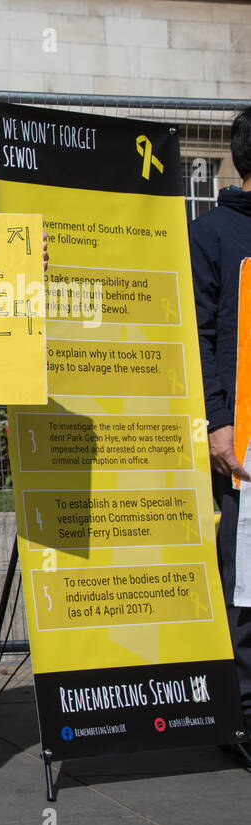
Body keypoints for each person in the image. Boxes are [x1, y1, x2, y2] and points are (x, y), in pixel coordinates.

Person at [191, 104, 251, 756]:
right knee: (245, 578)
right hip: (244, 436)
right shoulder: (211, 234)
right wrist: (220, 421)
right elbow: (201, 336)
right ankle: (241, 716)